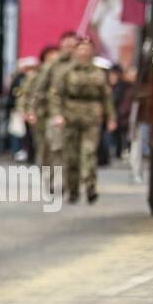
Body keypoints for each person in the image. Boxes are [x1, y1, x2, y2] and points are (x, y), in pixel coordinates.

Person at [49, 36, 116, 204]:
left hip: (92, 117)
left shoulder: (99, 71)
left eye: (87, 48)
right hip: (70, 116)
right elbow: (56, 94)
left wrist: (111, 118)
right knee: (71, 156)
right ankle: (72, 190)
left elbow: (106, 97)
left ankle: (90, 186)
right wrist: (57, 114)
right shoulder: (66, 71)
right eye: (81, 48)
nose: (84, 51)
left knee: (89, 153)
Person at [33, 30, 79, 178]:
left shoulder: (83, 65)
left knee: (73, 149)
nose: (70, 49)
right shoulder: (53, 65)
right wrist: (34, 109)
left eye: (74, 46)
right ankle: (52, 178)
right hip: (52, 113)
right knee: (54, 147)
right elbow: (40, 88)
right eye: (68, 45)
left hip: (76, 113)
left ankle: (69, 181)